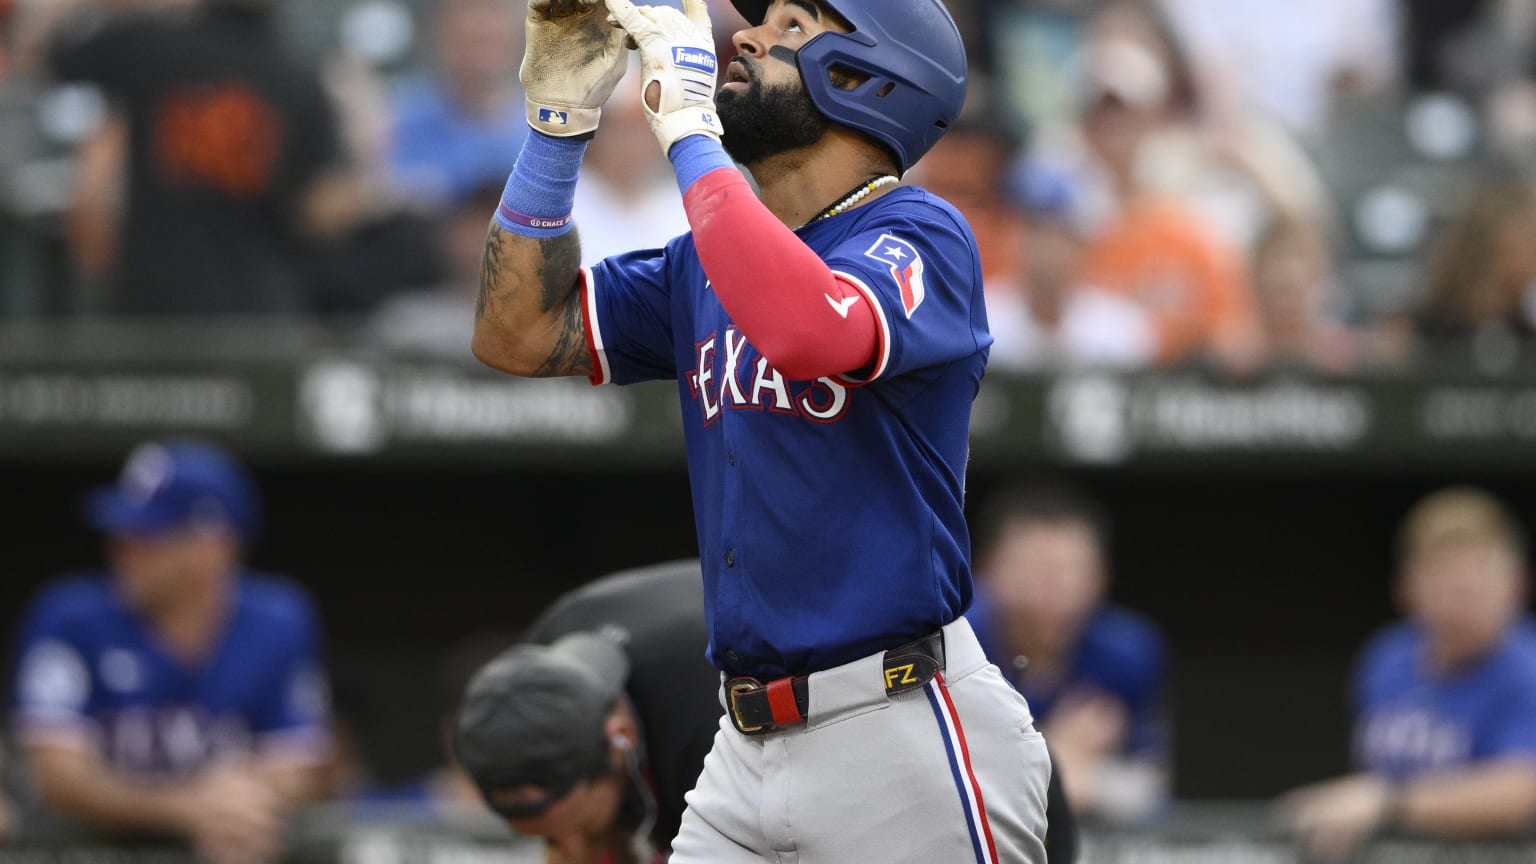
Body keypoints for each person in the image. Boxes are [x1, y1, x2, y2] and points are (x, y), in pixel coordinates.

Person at [470, 0, 1053, 860]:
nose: (745, 37)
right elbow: (514, 334)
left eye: (791, 27)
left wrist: (690, 132)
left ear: (868, 78)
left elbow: (810, 329)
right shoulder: (706, 262)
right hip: (742, 745)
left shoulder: (922, 231)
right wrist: (557, 129)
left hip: (899, 728)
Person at [9, 440, 332, 864]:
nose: (120, 550)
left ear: (212, 548)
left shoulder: (280, 620)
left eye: (146, 538)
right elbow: (59, 779)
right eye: (120, 535)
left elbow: (298, 763)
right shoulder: (70, 618)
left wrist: (240, 803)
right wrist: (186, 808)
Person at [39, 0, 358, 317]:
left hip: (159, 302)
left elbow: (56, 52)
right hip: (252, 308)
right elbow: (325, 206)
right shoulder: (297, 77)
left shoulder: (154, 46)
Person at [1280, 487, 1536, 862]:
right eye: (1445, 581)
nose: (1462, 600)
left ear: (1517, 585)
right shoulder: (1387, 659)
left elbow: (1520, 792)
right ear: (1407, 588)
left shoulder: (1527, 669)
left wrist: (1389, 800)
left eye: (1478, 581)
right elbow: (1373, 775)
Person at [453, 560, 721, 863]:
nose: (573, 853)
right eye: (549, 838)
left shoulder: (709, 721)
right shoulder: (533, 668)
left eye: (587, 830)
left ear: (620, 738)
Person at [966, 483, 1170, 827]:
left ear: (1102, 576)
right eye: (1033, 570)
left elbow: (1148, 790)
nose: (1051, 592)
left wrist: (1091, 783)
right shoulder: (953, 644)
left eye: (1069, 572)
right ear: (987, 570)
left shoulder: (1130, 650)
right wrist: (1052, 757)